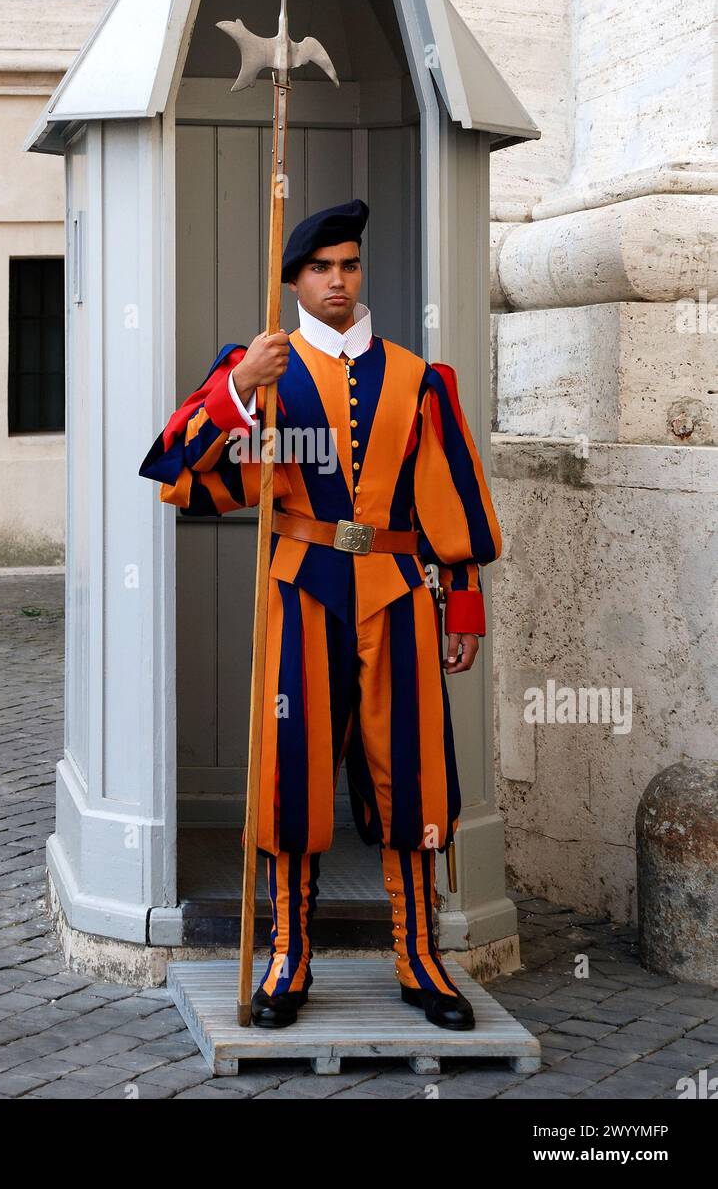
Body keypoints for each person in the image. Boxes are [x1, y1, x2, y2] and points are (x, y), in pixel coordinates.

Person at [139, 199, 502, 1031]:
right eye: (320, 268)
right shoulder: (261, 370)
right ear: (294, 279)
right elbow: (178, 470)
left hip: (402, 590)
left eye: (348, 265)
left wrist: (465, 607)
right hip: (301, 584)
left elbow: (452, 501)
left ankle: (420, 956)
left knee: (413, 772)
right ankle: (288, 955)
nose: (338, 280)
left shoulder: (419, 378)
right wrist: (236, 389)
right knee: (290, 772)